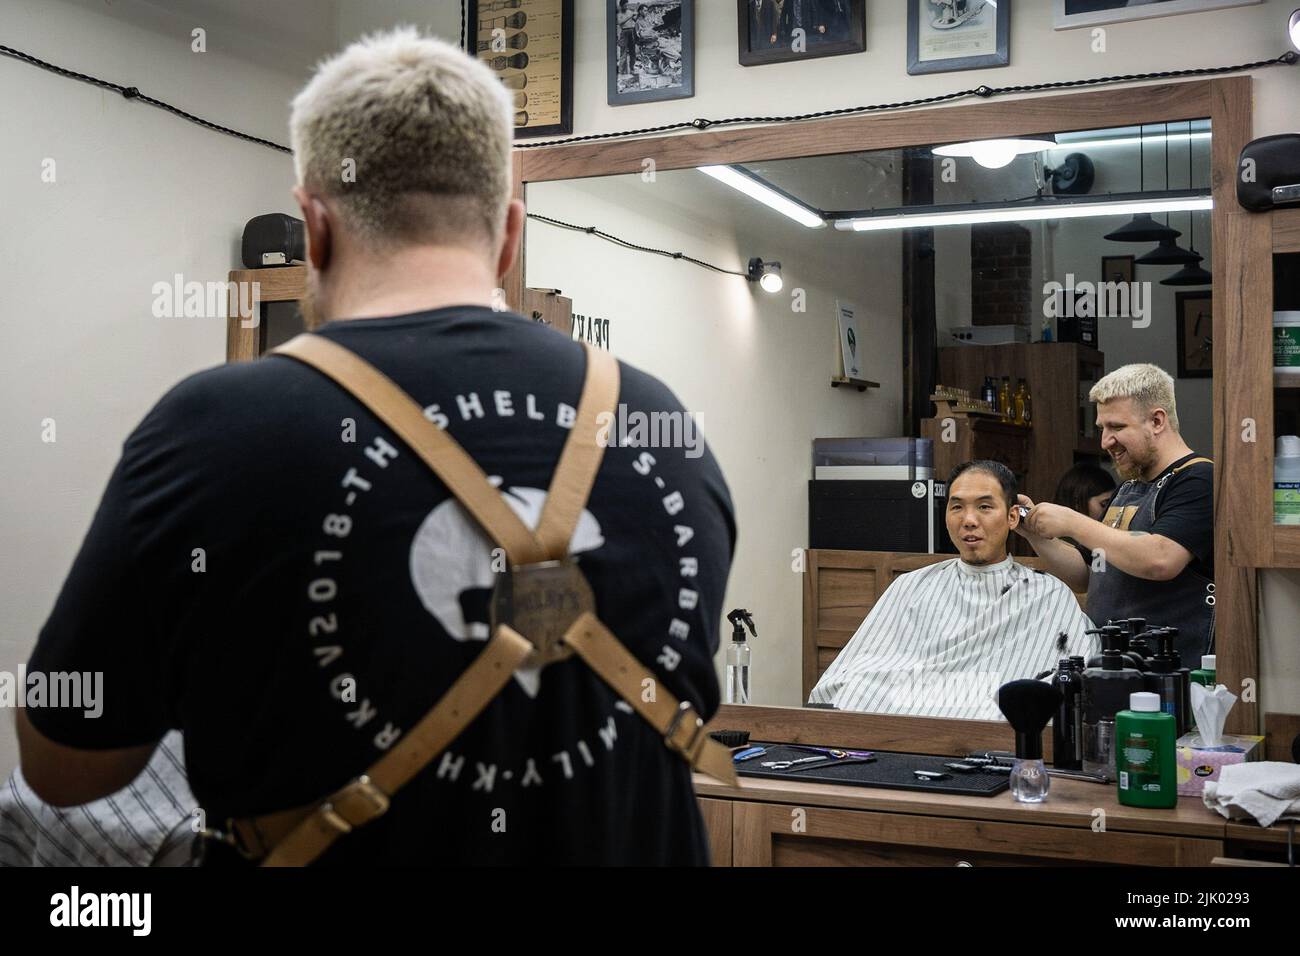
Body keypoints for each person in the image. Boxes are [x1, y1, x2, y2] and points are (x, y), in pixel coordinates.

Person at [17, 28, 736, 866]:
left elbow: (64, 769)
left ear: (314, 229)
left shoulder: (215, 426)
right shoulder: (660, 423)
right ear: (507, 236)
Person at [808, 461, 1096, 720]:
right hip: (916, 704)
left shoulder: (1048, 594)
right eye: (957, 507)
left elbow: (1069, 684)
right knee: (858, 688)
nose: (968, 520)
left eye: (984, 507)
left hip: (981, 715)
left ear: (1011, 517)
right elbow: (846, 675)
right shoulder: (912, 585)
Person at [1016, 363, 1213, 666]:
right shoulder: (1128, 488)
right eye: (1102, 429)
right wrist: (1033, 533)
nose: (1105, 441)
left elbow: (1161, 559)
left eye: (1117, 427)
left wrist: (1073, 521)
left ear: (1157, 421)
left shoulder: (1198, 478)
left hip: (1172, 673)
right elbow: (1085, 574)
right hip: (1111, 668)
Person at [1052, 461, 1117, 565]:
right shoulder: (1057, 543)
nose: (1109, 511)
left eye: (1113, 505)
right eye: (1104, 505)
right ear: (1077, 503)